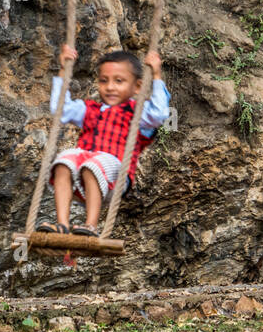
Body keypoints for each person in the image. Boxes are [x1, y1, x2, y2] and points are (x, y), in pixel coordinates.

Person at [35, 44, 171, 236]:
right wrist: (64, 69)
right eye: (104, 81)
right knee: (65, 159)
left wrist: (156, 75)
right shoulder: (90, 109)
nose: (110, 87)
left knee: (94, 164)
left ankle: (91, 225)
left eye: (119, 81)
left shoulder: (138, 113)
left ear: (137, 87)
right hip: (85, 175)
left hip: (115, 178)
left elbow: (159, 114)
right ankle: (62, 224)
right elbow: (60, 110)